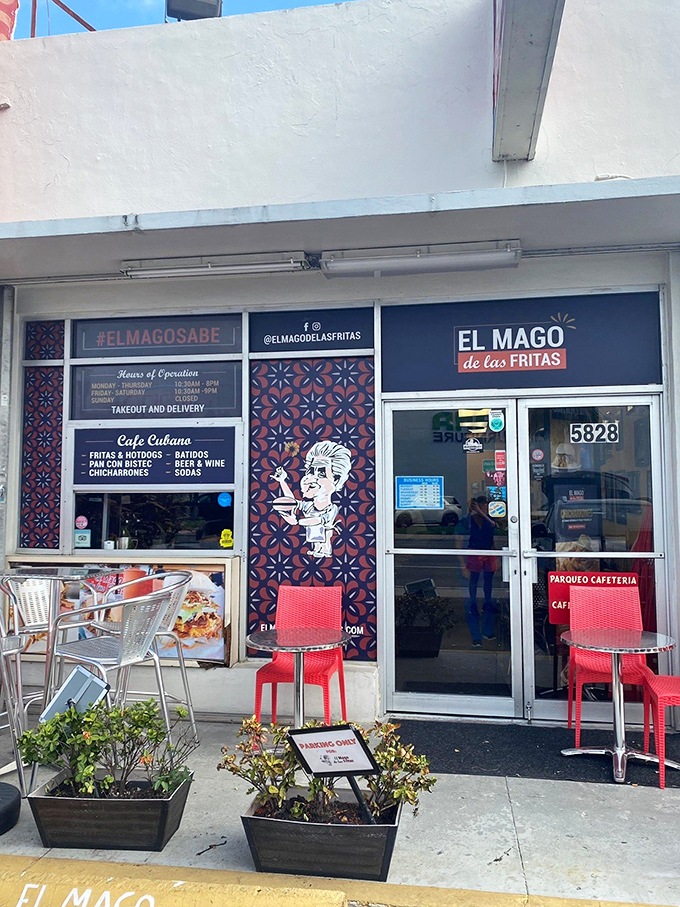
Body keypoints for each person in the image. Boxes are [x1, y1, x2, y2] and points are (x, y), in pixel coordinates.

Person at [270, 440, 352, 558]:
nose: (312, 478)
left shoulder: (332, 509)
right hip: (313, 534)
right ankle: (316, 550)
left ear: (337, 480)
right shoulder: (308, 506)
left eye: (322, 474)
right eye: (311, 471)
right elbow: (291, 502)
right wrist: (282, 481)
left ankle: (325, 551)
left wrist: (298, 521)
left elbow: (319, 520)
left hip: (323, 533)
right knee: (315, 541)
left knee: (323, 540)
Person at [464, 495, 498, 646]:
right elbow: (462, 533)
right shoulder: (470, 519)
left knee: (488, 580)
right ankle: (472, 601)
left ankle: (487, 601)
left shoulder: (488, 518)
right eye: (481, 505)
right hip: (475, 551)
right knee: (474, 579)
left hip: (488, 551)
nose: (484, 508)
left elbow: (493, 525)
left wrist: (483, 512)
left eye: (485, 505)